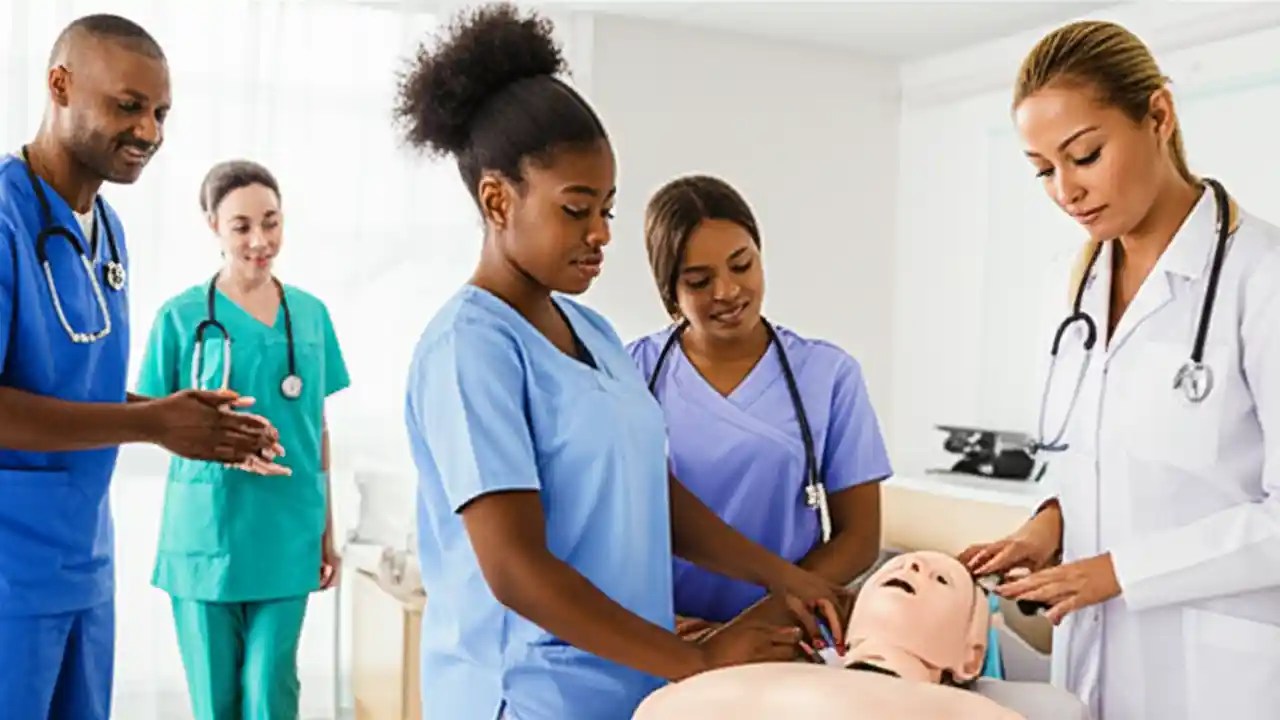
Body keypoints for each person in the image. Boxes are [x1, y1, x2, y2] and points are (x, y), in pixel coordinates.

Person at [395, 4, 847, 719]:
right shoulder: (469, 348)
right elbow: (515, 570)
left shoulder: (593, 331)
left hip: (630, 685)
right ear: (497, 198)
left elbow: (648, 491)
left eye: (608, 207)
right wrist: (698, 660)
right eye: (577, 210)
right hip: (526, 695)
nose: (603, 234)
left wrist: (781, 576)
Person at [960, 19, 1280, 720]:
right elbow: (1092, 466)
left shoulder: (1263, 277)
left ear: (1159, 115)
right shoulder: (1067, 287)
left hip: (1222, 673)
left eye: (1085, 155)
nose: (1065, 191)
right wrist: (1046, 528)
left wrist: (1116, 574)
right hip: (1091, 660)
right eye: (1044, 170)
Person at [0, 14, 281, 720]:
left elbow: (69, 384)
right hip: (8, 572)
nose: (151, 132)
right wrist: (152, 422)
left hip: (82, 561)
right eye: (129, 106)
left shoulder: (107, 230)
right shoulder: (4, 218)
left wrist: (180, 417)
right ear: (59, 85)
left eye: (160, 113)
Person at [628, 175, 890, 641]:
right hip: (667, 636)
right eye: (699, 280)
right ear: (669, 290)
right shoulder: (628, 373)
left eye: (741, 265)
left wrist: (757, 624)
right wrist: (668, 631)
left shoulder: (828, 374)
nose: (727, 291)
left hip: (784, 633)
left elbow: (859, 537)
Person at [134, 159, 350, 719]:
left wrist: (327, 530)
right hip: (206, 532)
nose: (261, 240)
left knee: (270, 690)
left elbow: (317, 428)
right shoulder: (180, 317)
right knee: (216, 700)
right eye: (242, 226)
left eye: (271, 222)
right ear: (213, 226)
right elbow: (151, 422)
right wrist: (218, 442)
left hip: (288, 528)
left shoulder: (311, 313)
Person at [633, 551, 1088, 720]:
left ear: (970, 658)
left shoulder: (976, 714)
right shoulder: (710, 687)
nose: (912, 566)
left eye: (940, 580)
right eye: (897, 566)